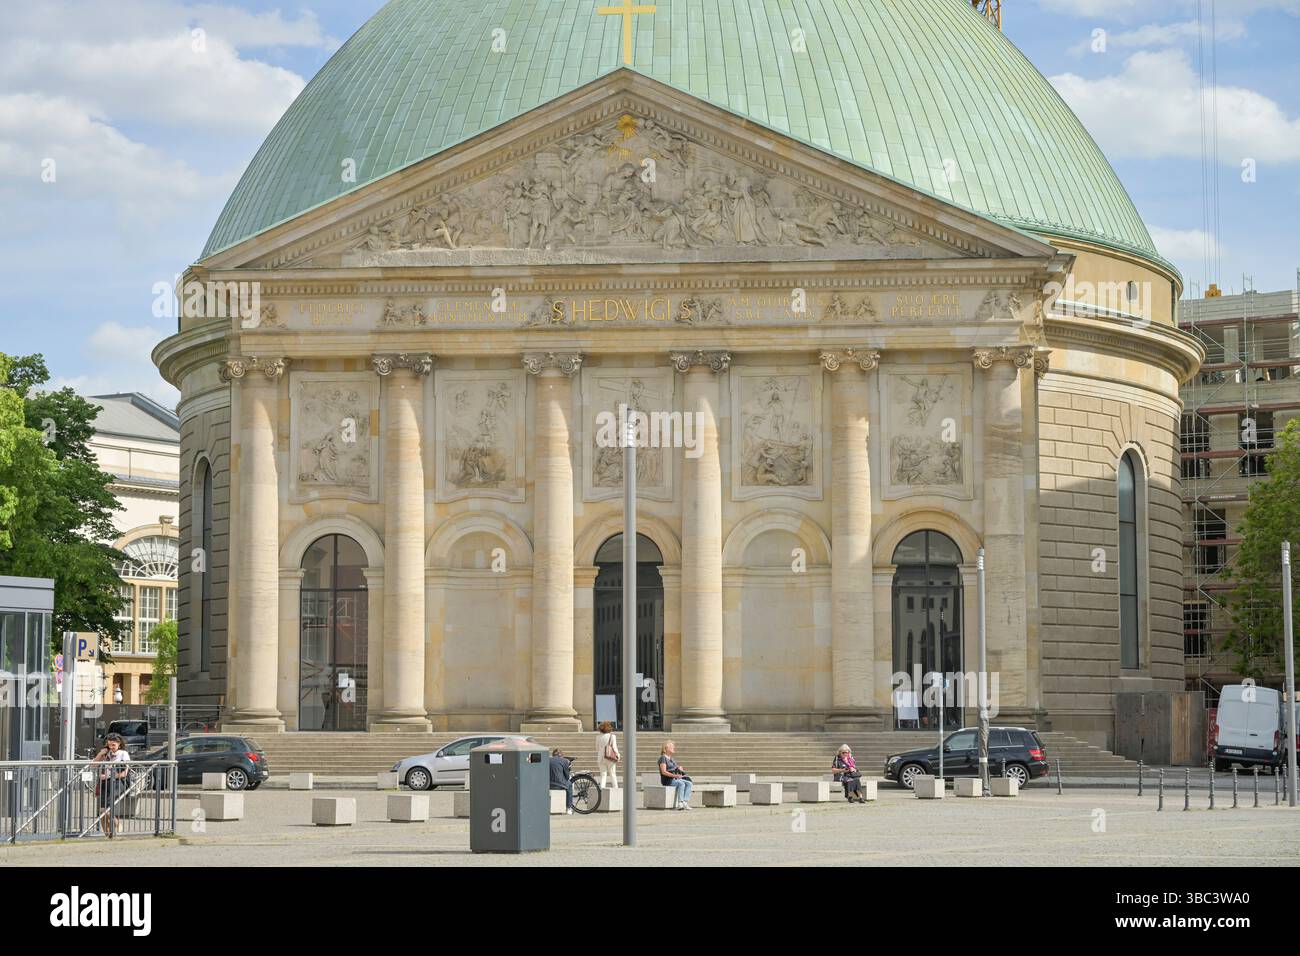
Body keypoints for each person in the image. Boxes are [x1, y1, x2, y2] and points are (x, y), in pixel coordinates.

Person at [93, 732, 132, 836]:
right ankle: (108, 835)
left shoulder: (123, 753)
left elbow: (124, 773)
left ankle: (117, 823)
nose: (111, 747)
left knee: (107, 809)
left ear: (119, 744)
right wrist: (101, 753)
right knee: (102, 811)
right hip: (105, 783)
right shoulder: (106, 753)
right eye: (109, 745)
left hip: (119, 782)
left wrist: (109, 776)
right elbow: (93, 765)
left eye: (113, 745)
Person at [658, 741, 692, 810]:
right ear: (666, 748)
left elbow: (675, 768)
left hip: (675, 779)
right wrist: (675, 776)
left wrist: (679, 768)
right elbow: (663, 772)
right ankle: (680, 803)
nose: (673, 748)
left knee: (689, 783)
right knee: (681, 783)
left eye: (673, 746)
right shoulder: (662, 758)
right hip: (668, 780)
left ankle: (685, 802)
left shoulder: (672, 759)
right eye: (671, 746)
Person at [549, 748, 574, 815]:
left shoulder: (548, 760)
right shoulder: (564, 761)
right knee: (569, 785)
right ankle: (568, 808)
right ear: (561, 755)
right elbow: (567, 776)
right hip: (560, 785)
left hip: (549, 785)